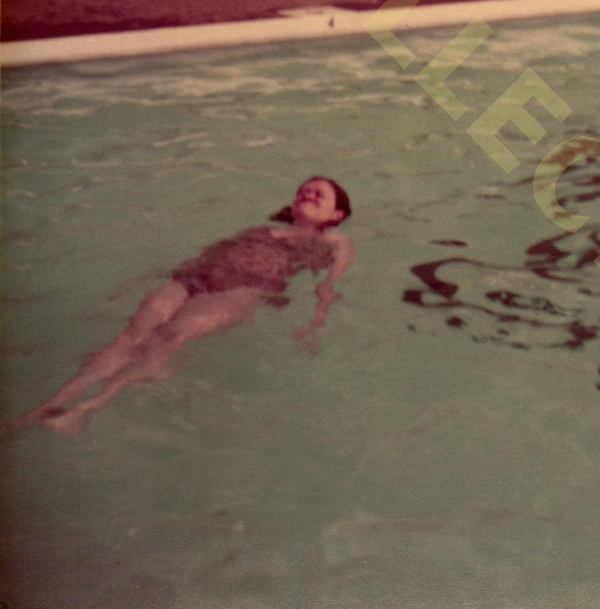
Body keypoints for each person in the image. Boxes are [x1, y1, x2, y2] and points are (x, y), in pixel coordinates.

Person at [12, 177, 355, 435]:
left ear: (336, 213)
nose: (307, 194)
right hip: (193, 278)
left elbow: (328, 286)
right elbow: (211, 253)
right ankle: (51, 403)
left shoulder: (335, 242)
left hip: (242, 290)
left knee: (169, 336)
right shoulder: (263, 229)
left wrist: (316, 321)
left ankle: (89, 407)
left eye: (318, 194)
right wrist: (149, 278)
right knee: (131, 335)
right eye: (303, 191)